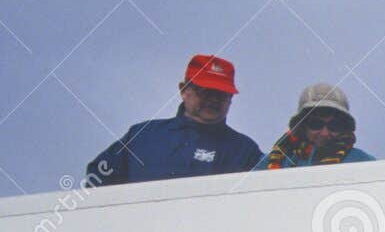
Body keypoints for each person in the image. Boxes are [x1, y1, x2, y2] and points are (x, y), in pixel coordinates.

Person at [86, 54, 262, 185]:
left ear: (231, 98)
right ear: (184, 89)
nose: (213, 100)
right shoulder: (142, 136)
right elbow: (96, 179)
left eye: (221, 94)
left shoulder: (244, 151)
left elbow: (274, 182)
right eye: (206, 91)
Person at [255, 83, 376, 169]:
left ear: (344, 128)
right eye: (316, 124)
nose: (324, 133)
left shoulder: (363, 162)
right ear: (302, 126)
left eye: (334, 126)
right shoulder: (272, 162)